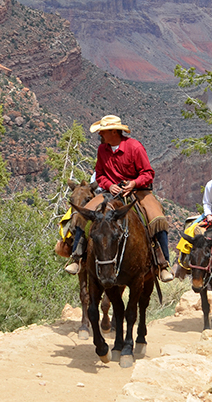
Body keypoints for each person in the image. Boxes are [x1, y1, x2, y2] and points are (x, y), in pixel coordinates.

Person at [65, 115, 174, 282]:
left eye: (103, 131)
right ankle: (77, 256)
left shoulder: (135, 147)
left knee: (157, 218)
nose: (100, 134)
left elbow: (148, 174)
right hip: (110, 192)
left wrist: (133, 183)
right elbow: (100, 175)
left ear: (114, 131)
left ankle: (163, 264)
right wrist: (109, 185)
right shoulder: (102, 150)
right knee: (83, 214)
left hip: (137, 192)